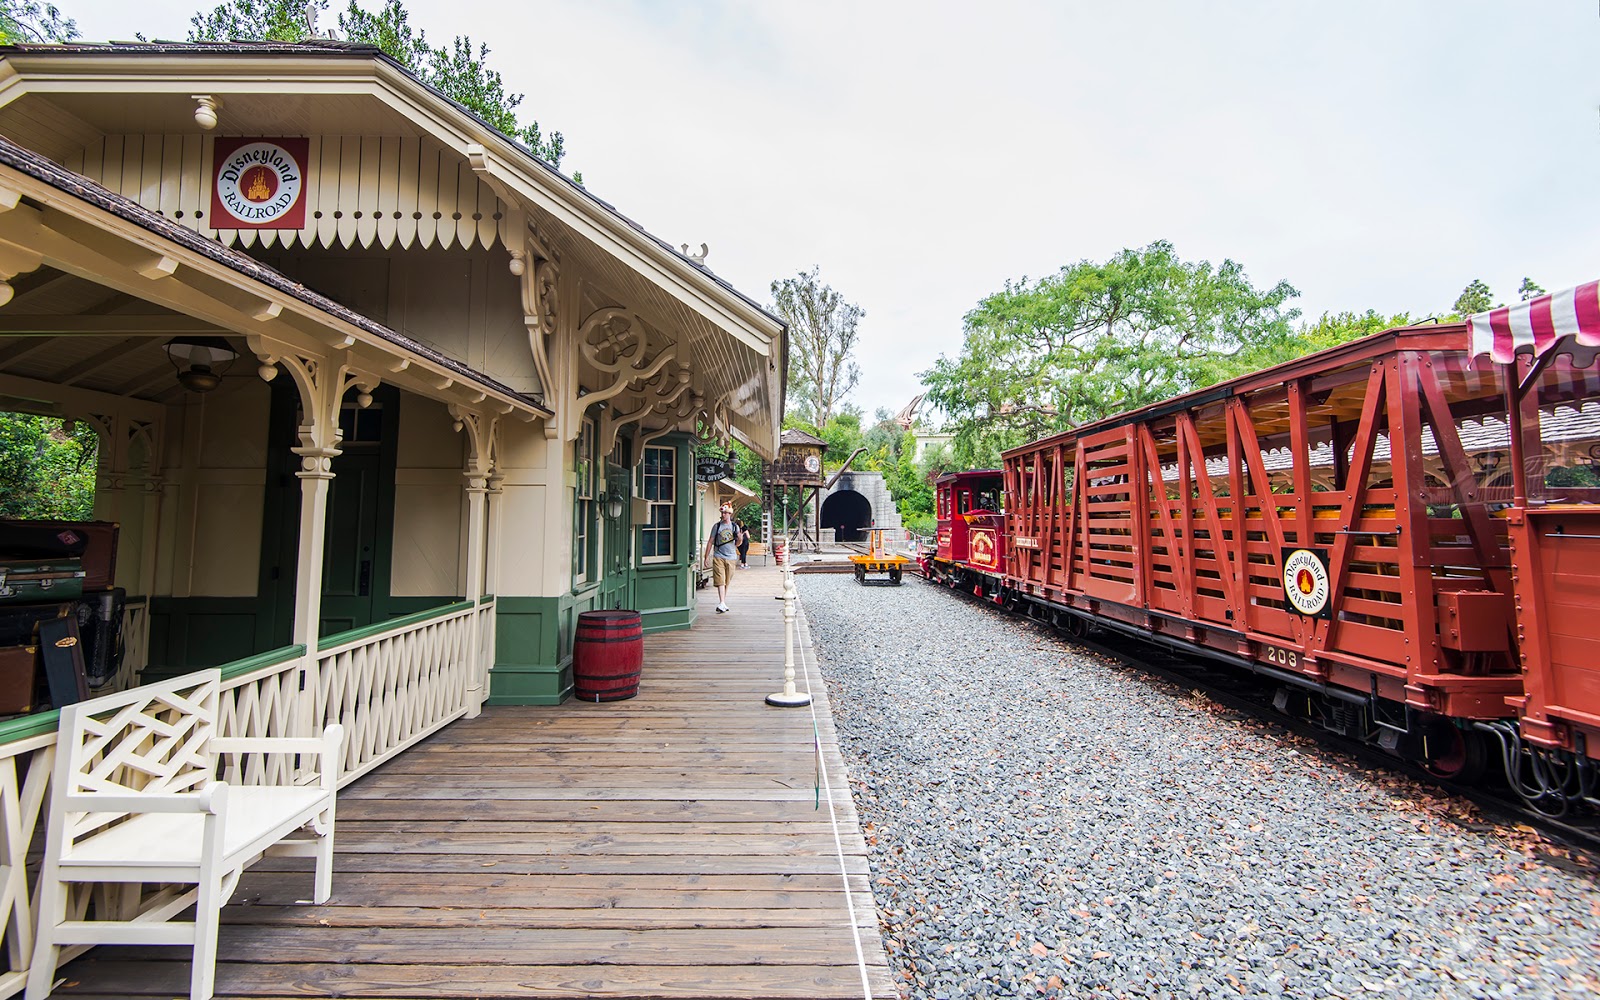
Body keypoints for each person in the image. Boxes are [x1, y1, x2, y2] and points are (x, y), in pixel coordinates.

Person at [702, 504, 741, 613]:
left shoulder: (734, 527)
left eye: (725, 513)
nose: (723, 515)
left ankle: (723, 602)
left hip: (731, 557)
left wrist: (740, 539)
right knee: (720, 580)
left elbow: (737, 544)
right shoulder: (717, 526)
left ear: (730, 514)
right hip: (719, 556)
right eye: (722, 513)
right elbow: (711, 541)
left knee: (726, 581)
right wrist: (706, 556)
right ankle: (721, 602)